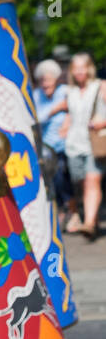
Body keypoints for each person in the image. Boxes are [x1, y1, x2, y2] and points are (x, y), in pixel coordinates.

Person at [62, 52, 106, 240]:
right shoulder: (69, 92)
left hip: (95, 143)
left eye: (83, 67)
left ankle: (88, 223)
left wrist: (102, 123)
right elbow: (70, 114)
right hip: (74, 144)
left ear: (89, 68)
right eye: (76, 67)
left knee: (92, 182)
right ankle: (92, 218)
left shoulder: (101, 86)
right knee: (82, 184)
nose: (79, 71)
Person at [34, 59, 74, 224]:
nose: (46, 83)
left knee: (62, 179)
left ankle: (72, 209)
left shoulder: (65, 91)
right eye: (43, 80)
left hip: (63, 144)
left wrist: (67, 120)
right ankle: (62, 211)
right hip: (45, 146)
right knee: (51, 181)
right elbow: (39, 118)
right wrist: (57, 109)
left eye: (49, 79)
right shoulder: (37, 95)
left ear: (56, 79)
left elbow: (75, 108)